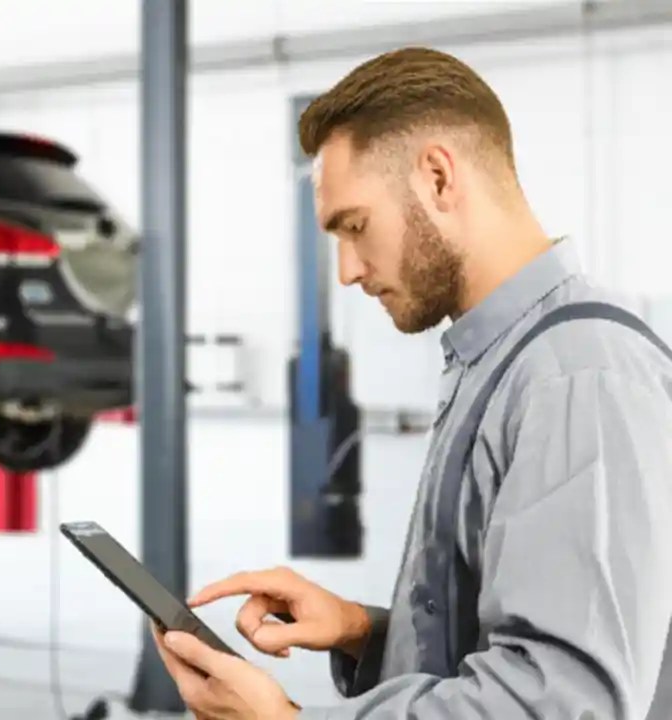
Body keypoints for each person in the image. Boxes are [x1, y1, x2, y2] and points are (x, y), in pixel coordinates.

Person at [153, 46, 672, 718]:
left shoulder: (576, 377)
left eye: (355, 226)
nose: (345, 270)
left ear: (436, 178)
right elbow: (508, 640)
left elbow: (561, 702)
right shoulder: (503, 359)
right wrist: (361, 631)